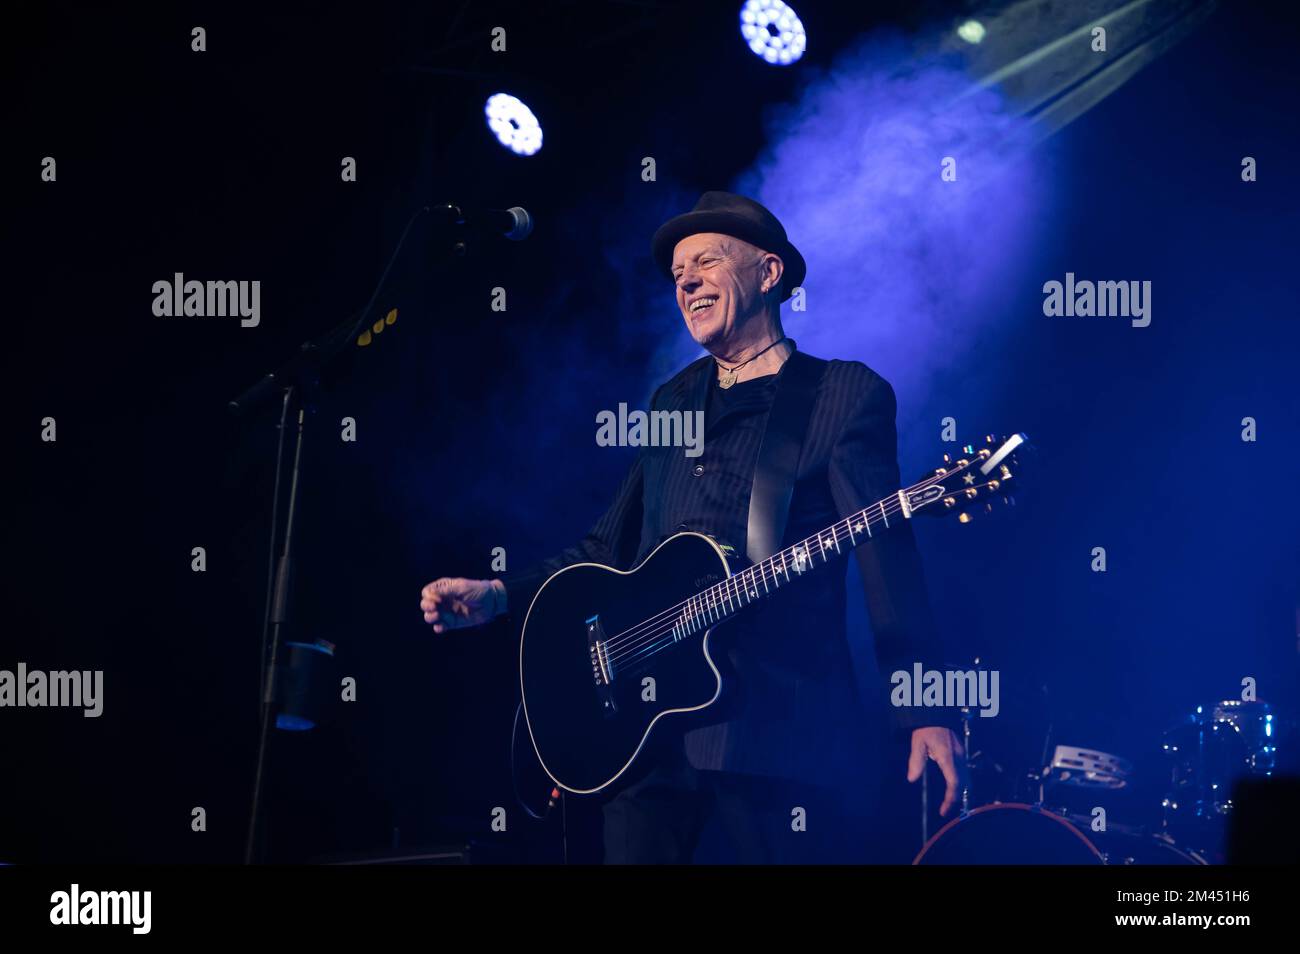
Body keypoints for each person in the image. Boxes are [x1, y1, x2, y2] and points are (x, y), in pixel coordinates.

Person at [420, 191, 963, 863]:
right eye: (678, 274)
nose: (687, 281)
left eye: (706, 262)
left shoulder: (842, 394)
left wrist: (925, 707)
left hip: (773, 729)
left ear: (769, 274)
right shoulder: (672, 399)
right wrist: (500, 594)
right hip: (647, 741)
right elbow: (606, 548)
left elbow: (886, 553)